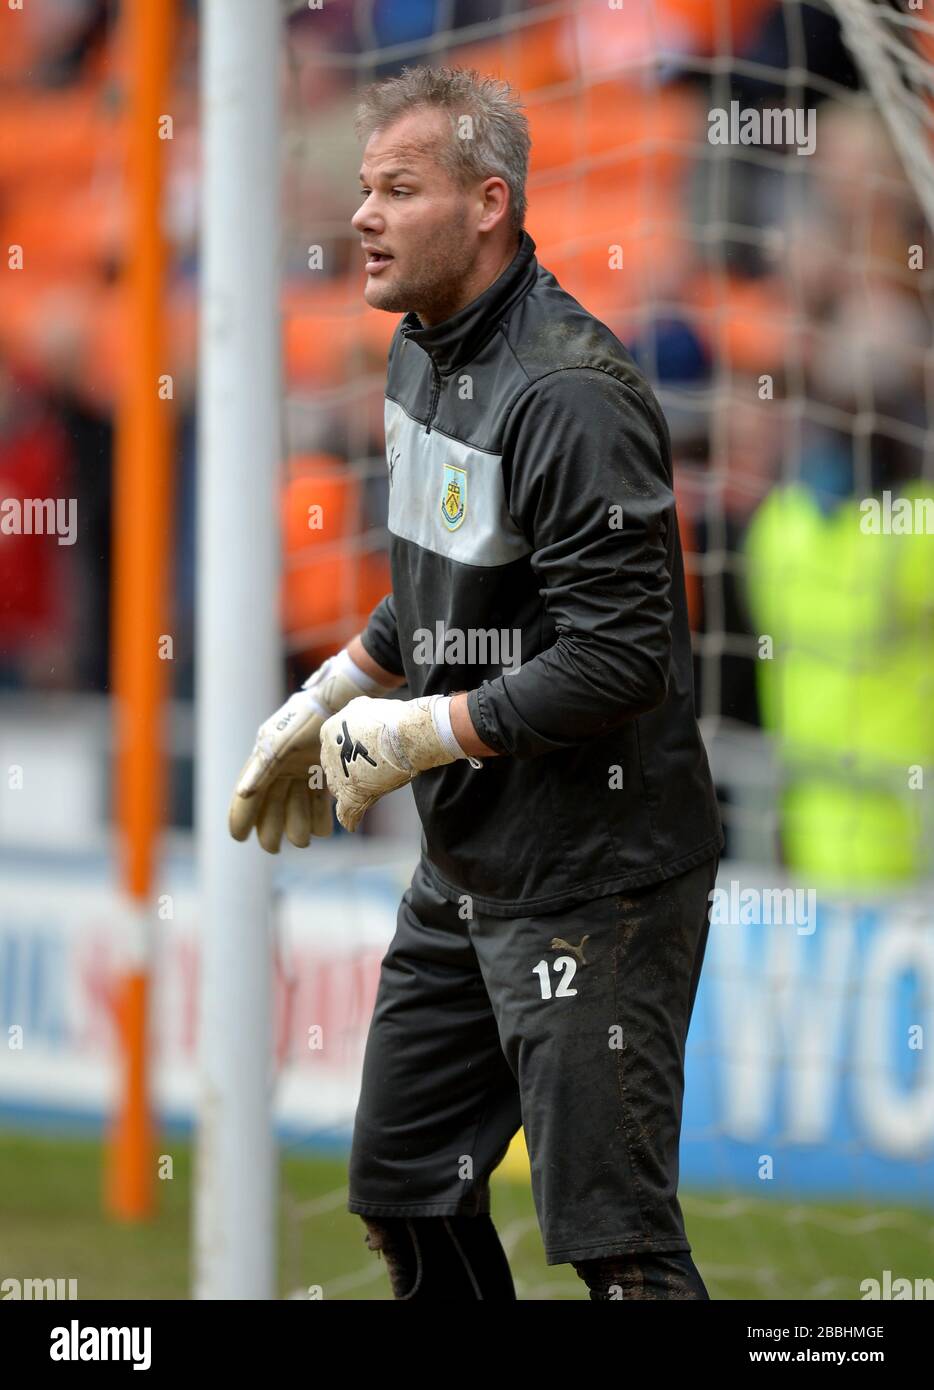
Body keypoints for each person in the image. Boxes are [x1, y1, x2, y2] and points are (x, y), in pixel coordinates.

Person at [229, 65, 723, 1301]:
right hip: (466, 867)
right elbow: (446, 578)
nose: (363, 214)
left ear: (489, 203)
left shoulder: (568, 394)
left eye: (399, 189)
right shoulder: (418, 350)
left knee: (617, 1249)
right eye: (364, 188)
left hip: (595, 878)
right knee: (407, 1193)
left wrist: (419, 735)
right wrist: (334, 689)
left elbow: (620, 657)